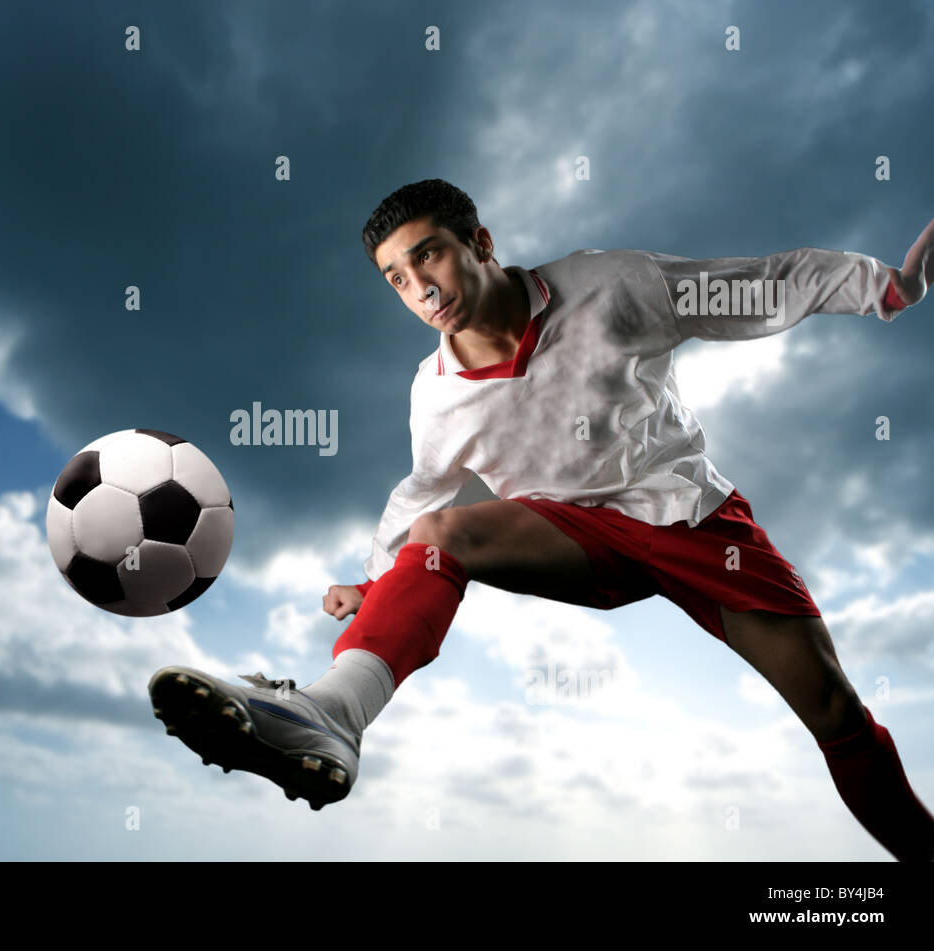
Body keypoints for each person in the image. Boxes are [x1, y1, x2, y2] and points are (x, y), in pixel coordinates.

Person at [149, 178, 934, 861]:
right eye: (394, 277)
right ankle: (332, 712)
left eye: (429, 255)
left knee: (834, 709)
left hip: (692, 518)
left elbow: (750, 285)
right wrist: (376, 577)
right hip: (571, 536)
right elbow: (422, 492)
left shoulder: (610, 284)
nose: (419, 286)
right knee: (443, 535)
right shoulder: (435, 391)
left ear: (481, 242)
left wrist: (886, 287)